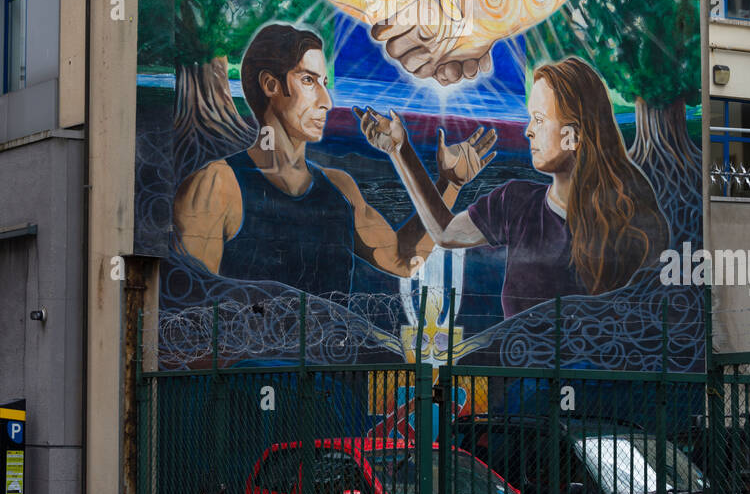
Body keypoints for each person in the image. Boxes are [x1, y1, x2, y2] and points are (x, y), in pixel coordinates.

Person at [172, 22, 496, 296]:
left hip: (331, 370)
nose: (326, 101)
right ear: (271, 85)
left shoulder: (340, 188)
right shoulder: (216, 187)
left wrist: (448, 183)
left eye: (324, 83)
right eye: (309, 80)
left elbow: (403, 259)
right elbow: (195, 306)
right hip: (254, 371)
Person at [356, 56, 669, 318]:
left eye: (539, 119)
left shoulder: (630, 219)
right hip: (519, 385)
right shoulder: (517, 202)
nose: (528, 131)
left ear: (573, 135)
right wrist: (401, 151)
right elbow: (445, 232)